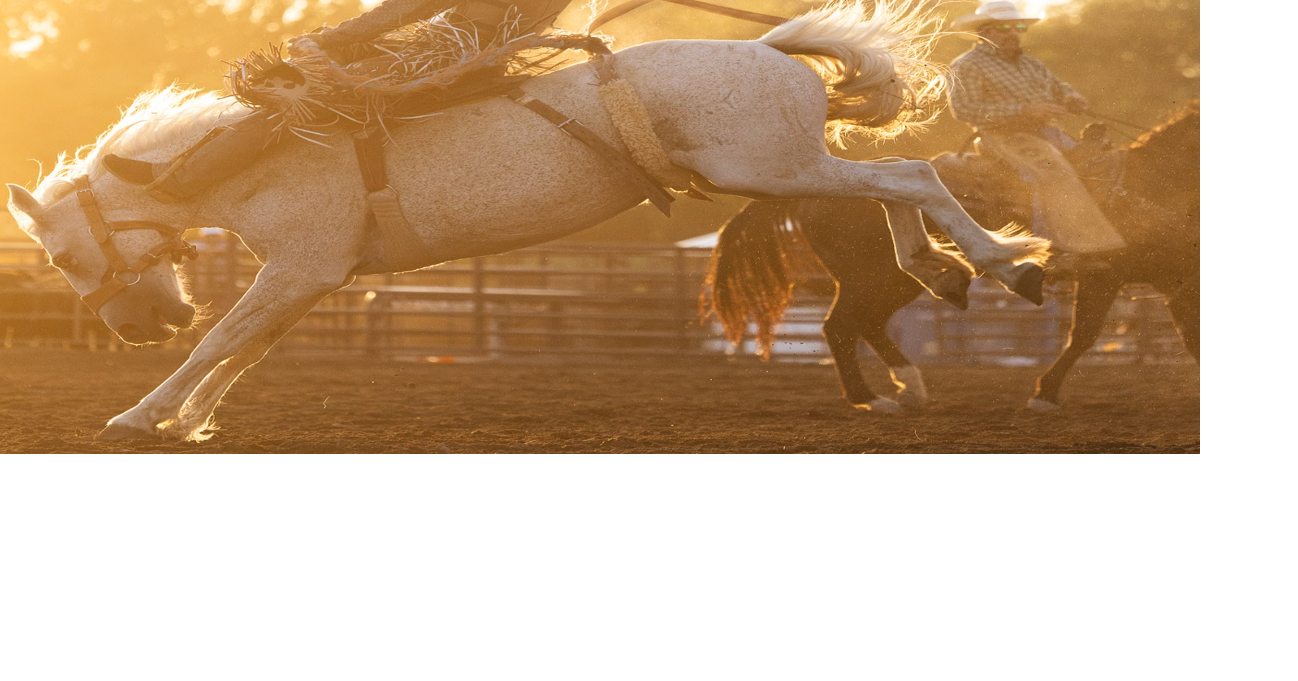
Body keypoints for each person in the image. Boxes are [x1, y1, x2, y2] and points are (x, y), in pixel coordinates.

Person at [108, 1, 572, 201]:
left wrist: (331, 38)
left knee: (298, 99)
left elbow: (408, 7)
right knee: (308, 76)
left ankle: (177, 181)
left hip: (447, 55)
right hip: (471, 54)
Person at [947, 1, 1126, 265]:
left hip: (1049, 133)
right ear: (983, 32)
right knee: (1053, 174)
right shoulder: (967, 65)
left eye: (1018, 27)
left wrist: (1071, 97)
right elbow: (964, 109)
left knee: (1104, 162)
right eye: (1004, 28)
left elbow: (1058, 87)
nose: (1013, 33)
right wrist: (1024, 110)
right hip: (1003, 137)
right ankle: (1054, 252)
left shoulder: (1031, 64)